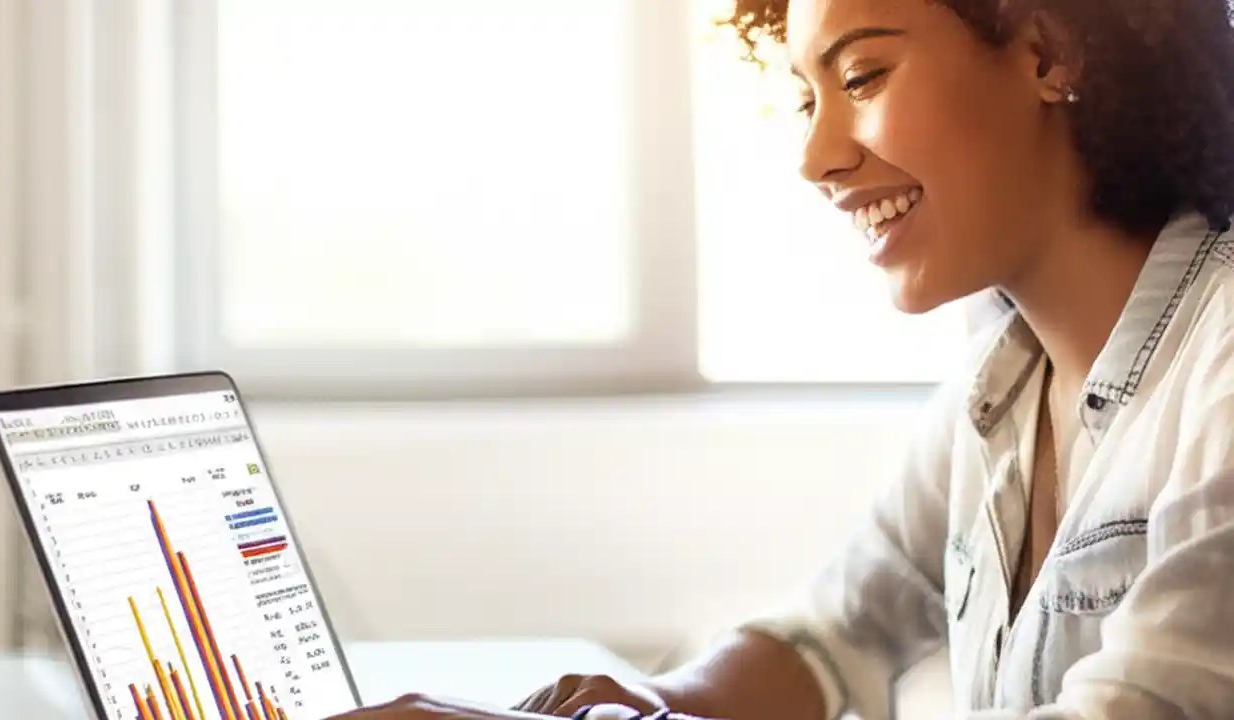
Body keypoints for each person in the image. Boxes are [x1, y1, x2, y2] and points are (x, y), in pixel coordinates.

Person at [328, 0, 1234, 717]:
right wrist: (654, 702)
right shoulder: (1003, 378)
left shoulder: (1220, 364)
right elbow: (834, 632)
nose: (816, 157)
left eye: (862, 76)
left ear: (1046, 53)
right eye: (808, 98)